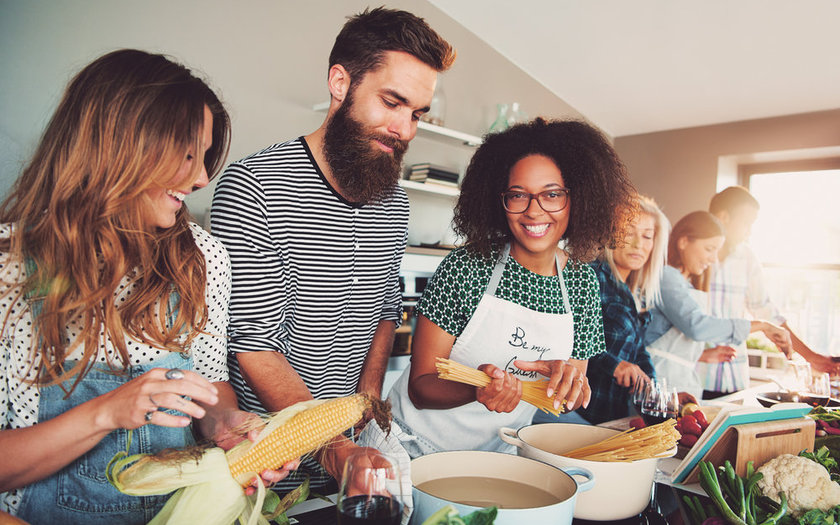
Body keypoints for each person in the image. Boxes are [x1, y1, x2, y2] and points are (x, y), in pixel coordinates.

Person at [0, 49, 295, 524]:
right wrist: (106, 413)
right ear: (121, 144)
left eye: (204, 157)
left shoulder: (203, 260)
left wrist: (228, 426)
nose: (202, 178)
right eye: (187, 154)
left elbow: (211, 389)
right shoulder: (10, 268)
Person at [210, 7, 455, 492]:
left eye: (417, 114)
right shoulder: (253, 186)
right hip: (266, 468)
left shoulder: (394, 203)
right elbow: (254, 345)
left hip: (352, 456)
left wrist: (365, 408)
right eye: (392, 102)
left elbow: (385, 312)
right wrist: (333, 448)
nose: (405, 129)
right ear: (340, 82)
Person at [387, 118, 636, 457]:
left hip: (493, 457)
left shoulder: (581, 282)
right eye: (518, 195)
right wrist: (478, 389)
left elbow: (568, 399)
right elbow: (421, 387)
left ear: (577, 199)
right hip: (410, 447)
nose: (534, 211)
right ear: (499, 200)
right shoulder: (465, 268)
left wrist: (568, 386)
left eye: (551, 194)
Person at [698, 185, 840, 398]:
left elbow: (767, 314)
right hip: (693, 377)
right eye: (747, 223)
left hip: (733, 378)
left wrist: (810, 356)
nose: (750, 231)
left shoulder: (747, 257)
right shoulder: (690, 257)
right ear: (723, 217)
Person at [542, 195, 669, 426]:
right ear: (609, 234)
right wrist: (615, 365)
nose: (638, 244)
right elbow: (565, 342)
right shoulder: (588, 277)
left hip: (612, 417)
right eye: (629, 232)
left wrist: (655, 393)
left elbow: (639, 351)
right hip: (574, 414)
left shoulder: (637, 294)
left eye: (647, 236)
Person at [644, 211, 792, 401]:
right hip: (660, 382)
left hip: (680, 384)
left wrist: (701, 354)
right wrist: (762, 326)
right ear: (683, 242)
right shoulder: (666, 276)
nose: (714, 259)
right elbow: (697, 326)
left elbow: (671, 340)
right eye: (709, 249)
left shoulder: (685, 284)